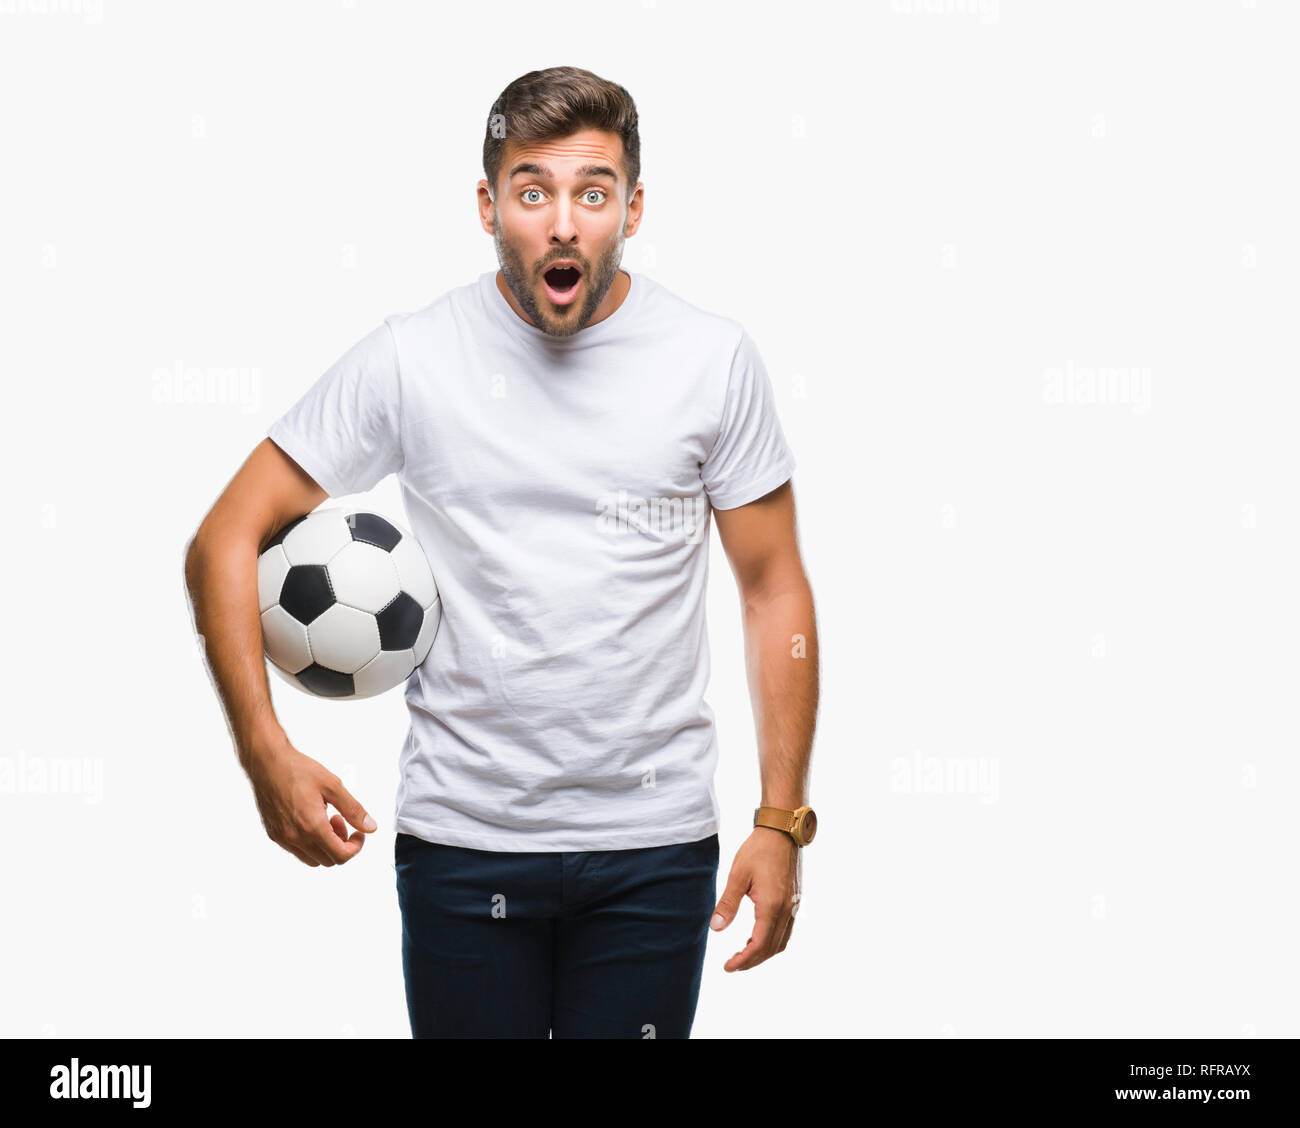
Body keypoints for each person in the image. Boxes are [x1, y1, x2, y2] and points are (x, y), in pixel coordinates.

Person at [183, 65, 819, 1039]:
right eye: (533, 192)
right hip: (463, 847)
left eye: (591, 192)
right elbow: (225, 536)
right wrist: (265, 752)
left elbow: (773, 589)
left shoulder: (710, 360)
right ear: (489, 206)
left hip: (654, 850)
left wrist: (780, 820)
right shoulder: (412, 358)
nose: (563, 223)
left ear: (632, 209)